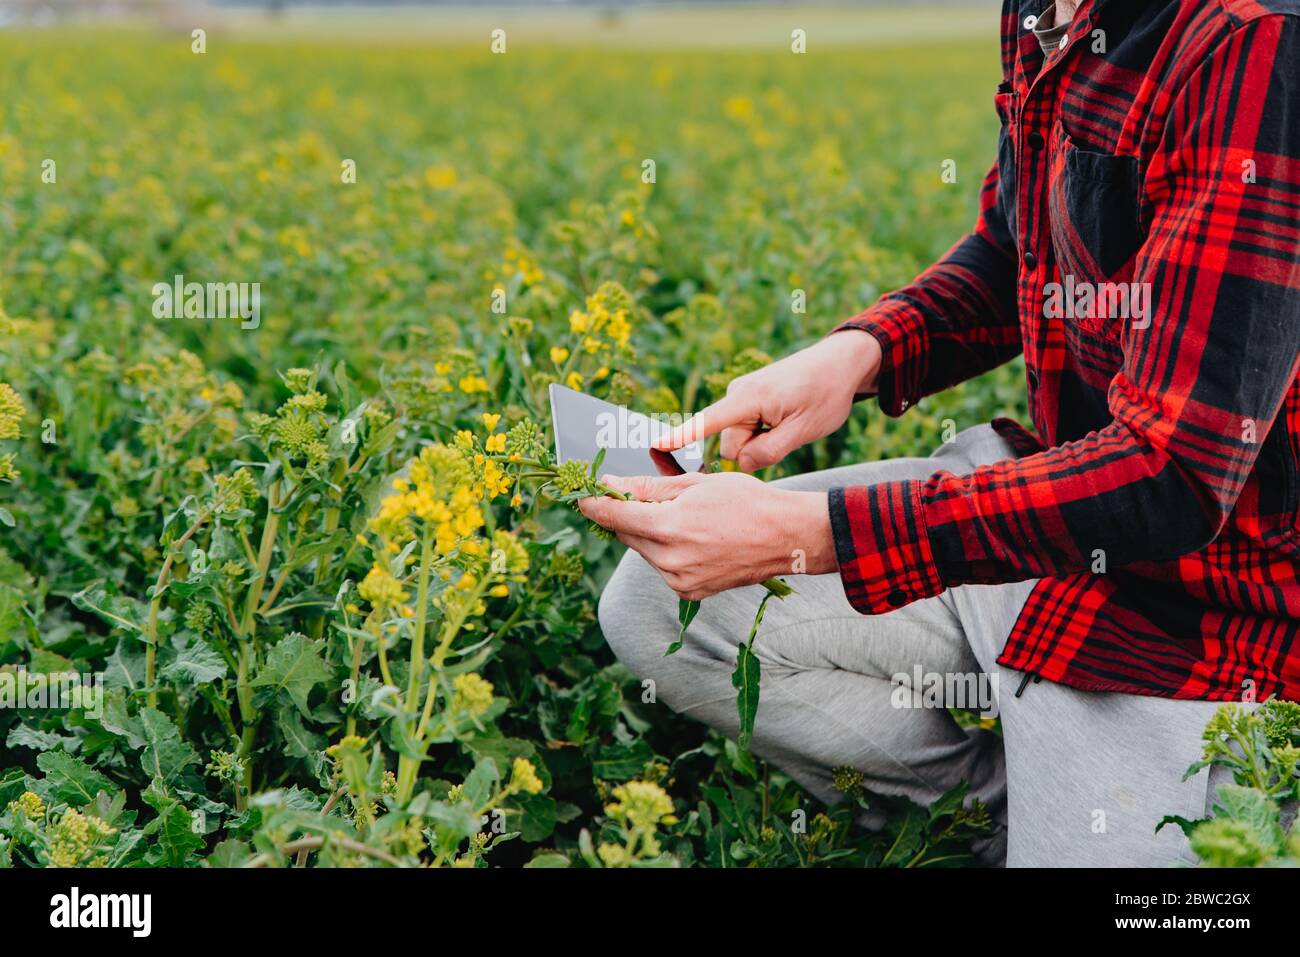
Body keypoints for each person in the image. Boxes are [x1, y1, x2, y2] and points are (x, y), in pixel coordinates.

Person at [578, 0, 1300, 866]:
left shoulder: (1252, 44)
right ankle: (994, 815)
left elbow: (1172, 472)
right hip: (1047, 530)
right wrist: (864, 350)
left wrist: (809, 537)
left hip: (1211, 617)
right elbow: (1019, 248)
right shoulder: (1045, 9)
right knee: (661, 608)